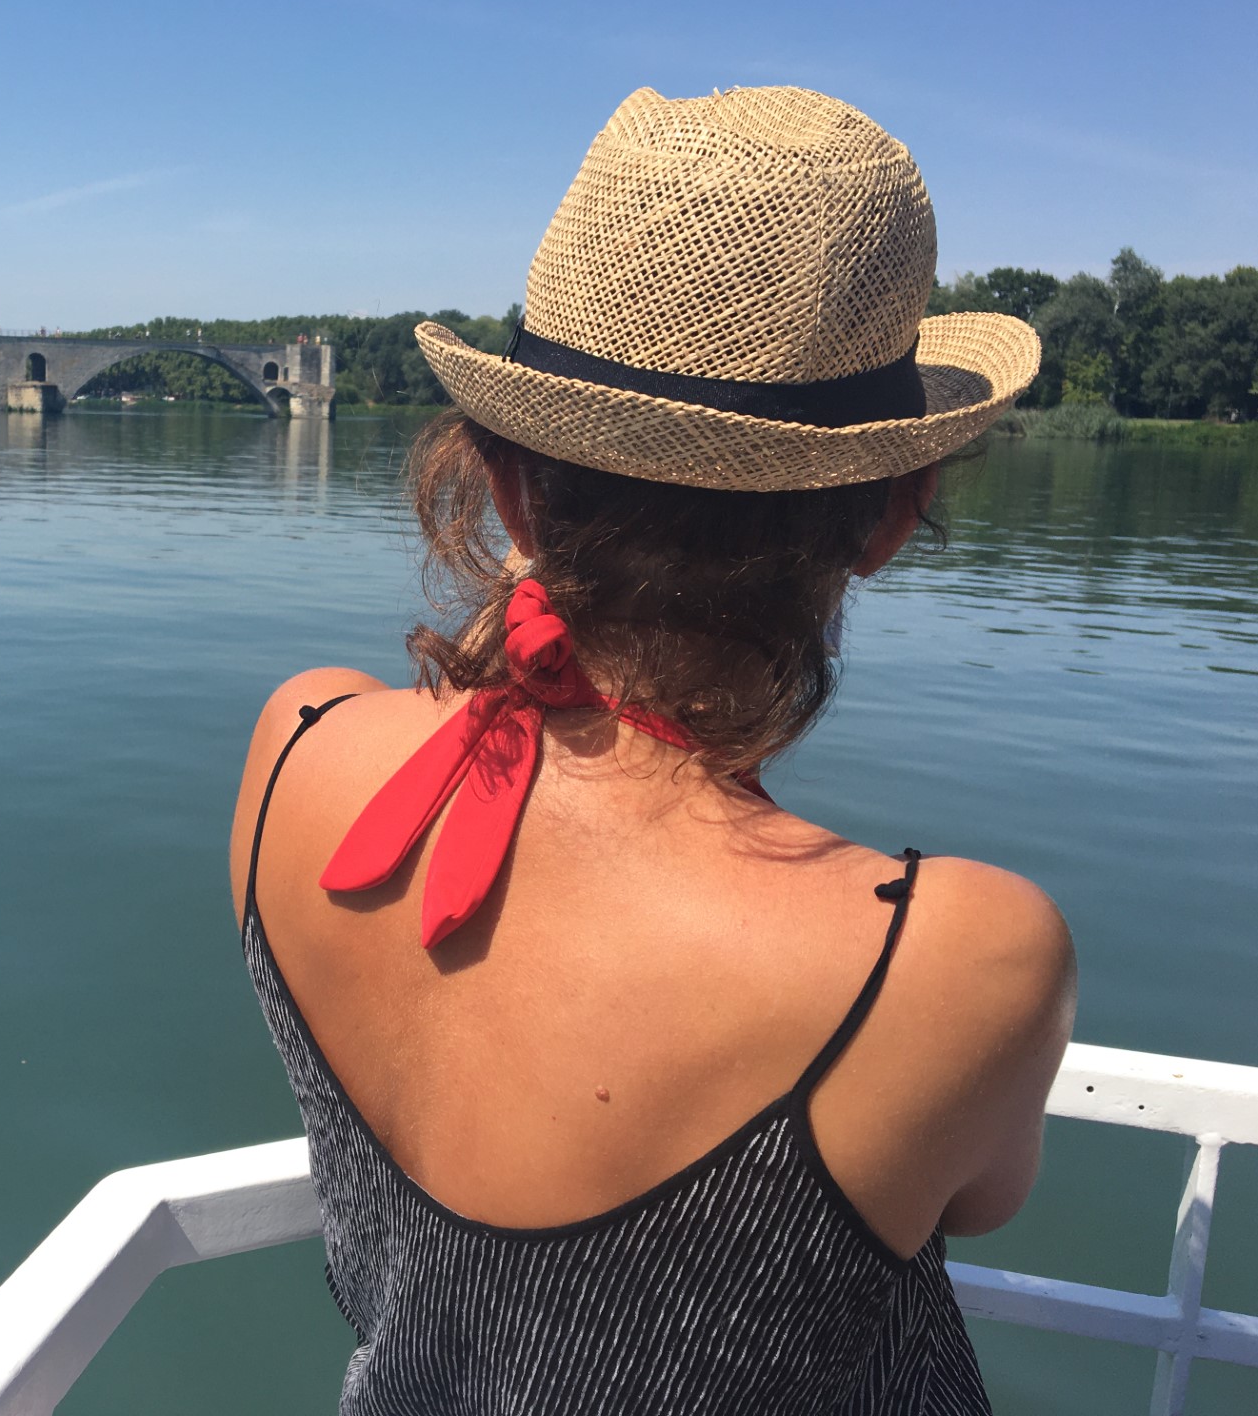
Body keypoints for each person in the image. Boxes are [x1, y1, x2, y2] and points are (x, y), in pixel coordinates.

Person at [229, 86, 1074, 1415]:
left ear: (507, 489)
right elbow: (987, 1199)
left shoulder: (298, 746)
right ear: (894, 516)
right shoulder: (956, 955)